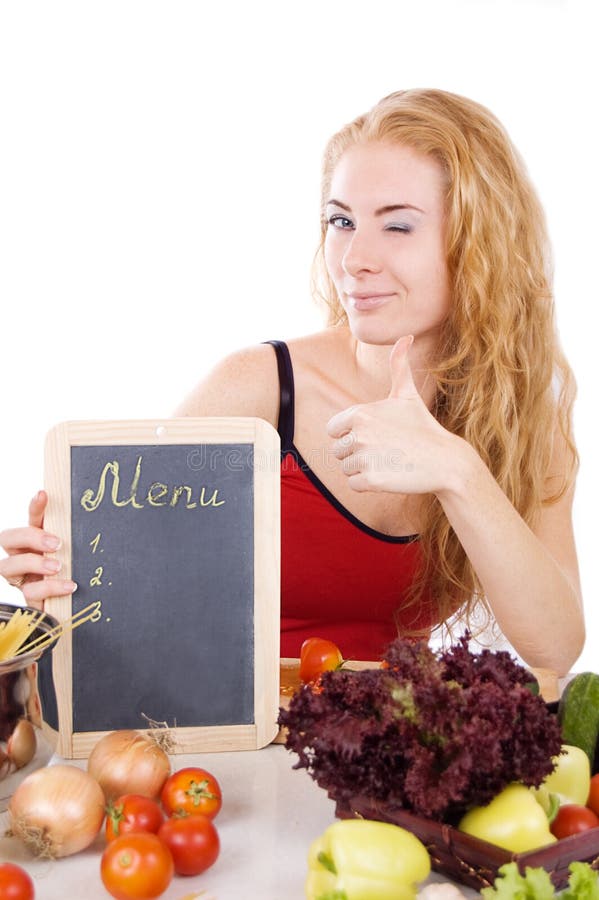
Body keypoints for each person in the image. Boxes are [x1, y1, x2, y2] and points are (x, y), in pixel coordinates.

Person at [0, 89, 584, 675]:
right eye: (341, 221)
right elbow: (124, 586)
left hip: (386, 739)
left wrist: (458, 471)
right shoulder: (260, 387)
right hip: (230, 739)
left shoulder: (521, 410)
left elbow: (555, 647)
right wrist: (56, 589)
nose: (355, 258)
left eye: (398, 226)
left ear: (480, 244)